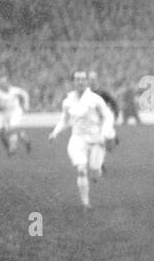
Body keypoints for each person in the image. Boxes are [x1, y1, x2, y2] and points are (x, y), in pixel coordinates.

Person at [49, 77, 116, 210]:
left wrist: (104, 134)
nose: (80, 82)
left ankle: (97, 172)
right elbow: (64, 120)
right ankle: (85, 203)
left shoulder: (95, 99)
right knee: (81, 169)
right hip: (78, 138)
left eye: (83, 80)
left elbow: (108, 116)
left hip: (96, 137)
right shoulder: (68, 101)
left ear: (86, 83)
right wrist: (55, 132)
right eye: (78, 80)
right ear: (74, 83)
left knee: (95, 170)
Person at [0, 76, 31, 155]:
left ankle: (12, 148)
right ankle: (24, 140)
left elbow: (24, 94)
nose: (3, 86)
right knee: (2, 133)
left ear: (8, 83)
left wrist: (26, 104)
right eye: (1, 84)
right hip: (4, 113)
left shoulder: (15, 90)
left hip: (16, 112)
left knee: (12, 128)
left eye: (4, 84)